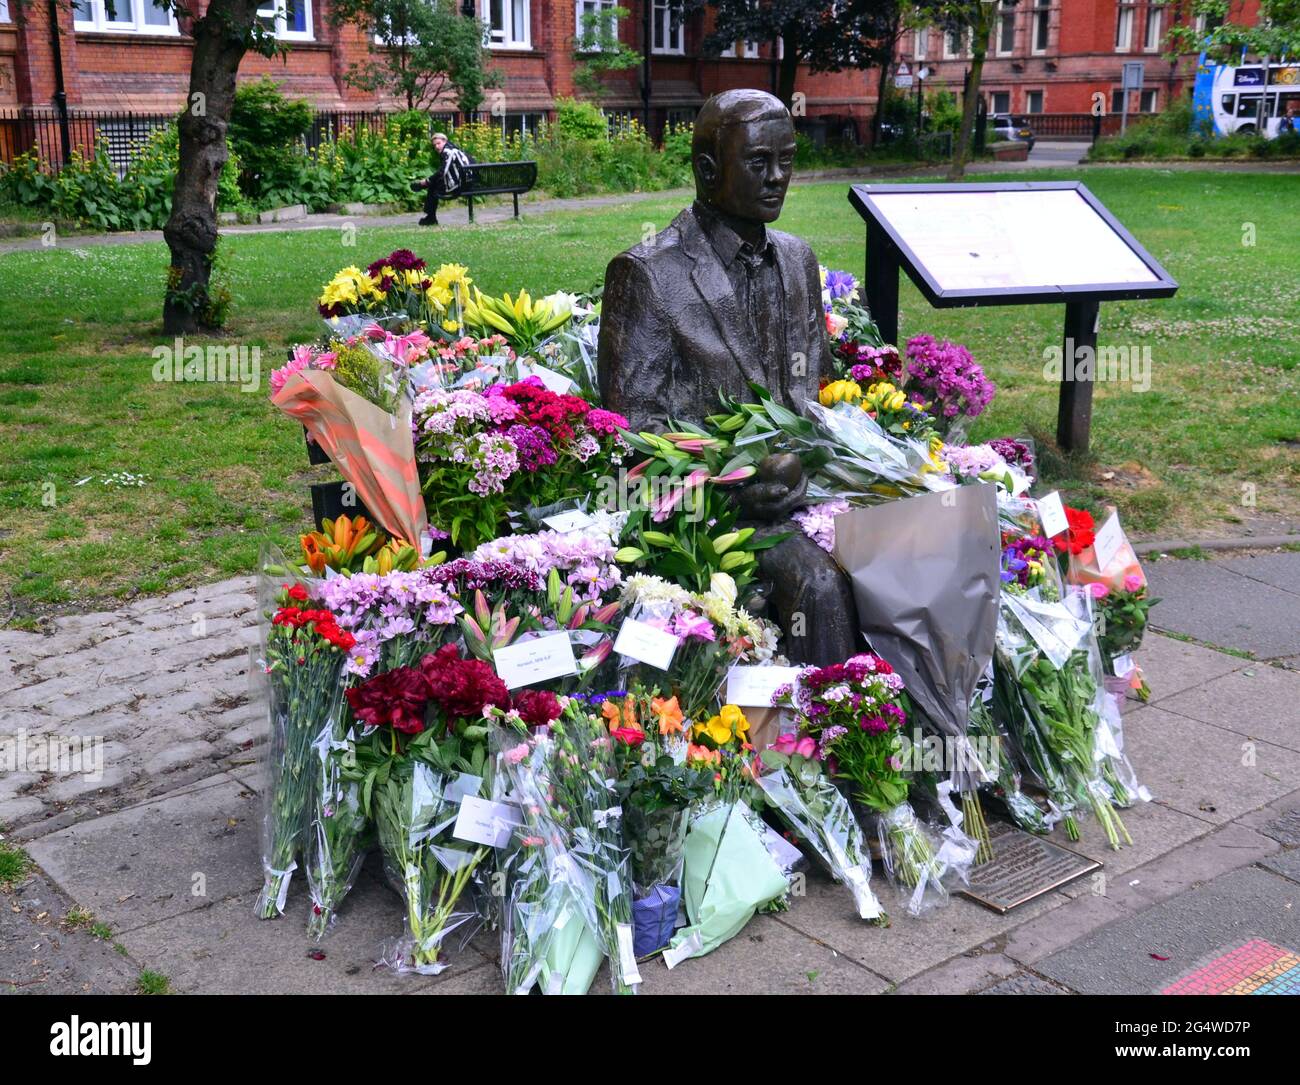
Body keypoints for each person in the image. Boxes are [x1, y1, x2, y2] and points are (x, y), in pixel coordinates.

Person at [597, 89, 858, 666]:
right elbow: (630, 432)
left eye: (787, 160)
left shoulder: (797, 259)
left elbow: (820, 392)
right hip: (719, 511)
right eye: (759, 162)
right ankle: (840, 734)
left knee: (933, 541)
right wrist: (737, 480)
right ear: (708, 169)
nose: (778, 178)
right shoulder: (647, 274)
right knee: (818, 587)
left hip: (814, 488)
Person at [411, 132, 472, 226]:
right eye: (434, 145)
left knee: (432, 186)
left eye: (438, 143)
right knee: (433, 184)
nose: (436, 147)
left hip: (461, 185)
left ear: (445, 141)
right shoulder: (454, 148)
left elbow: (442, 172)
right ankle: (430, 217)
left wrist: (426, 181)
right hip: (468, 182)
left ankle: (430, 218)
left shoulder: (448, 151)